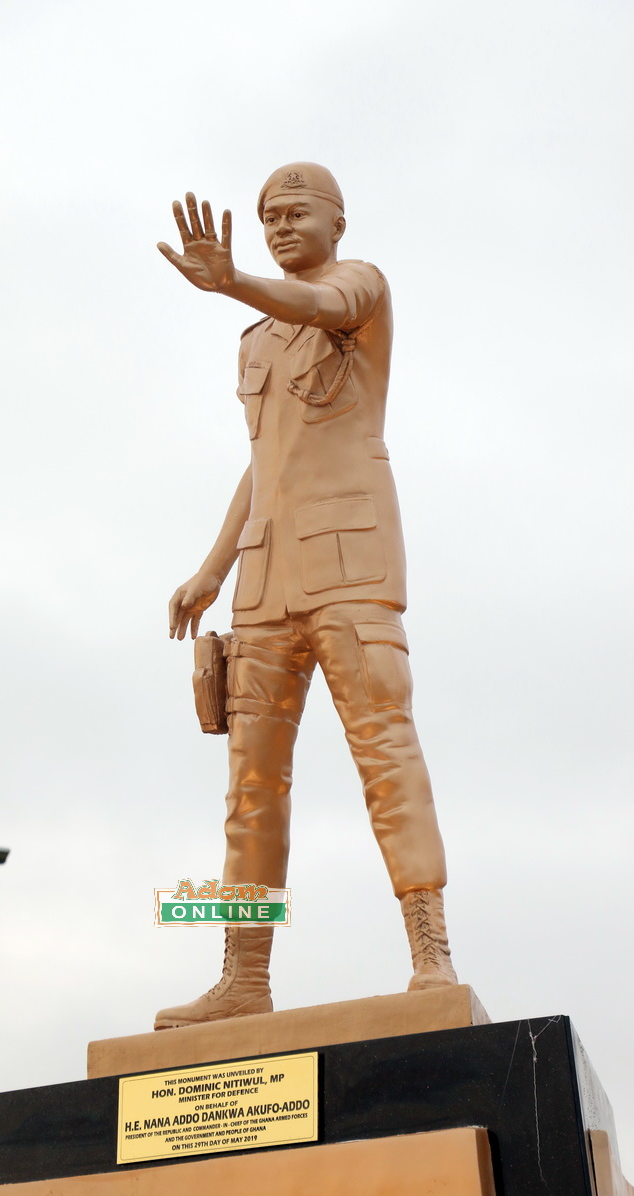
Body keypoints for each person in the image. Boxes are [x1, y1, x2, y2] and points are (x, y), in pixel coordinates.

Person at [154, 164, 457, 1029]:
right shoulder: (255, 340)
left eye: (297, 213)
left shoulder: (360, 292)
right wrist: (212, 568)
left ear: (338, 222)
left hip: (352, 571)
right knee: (251, 788)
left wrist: (234, 281)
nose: (279, 226)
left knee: (385, 756)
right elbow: (265, 462)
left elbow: (323, 307)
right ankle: (242, 973)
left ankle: (430, 951)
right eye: (266, 217)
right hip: (264, 581)